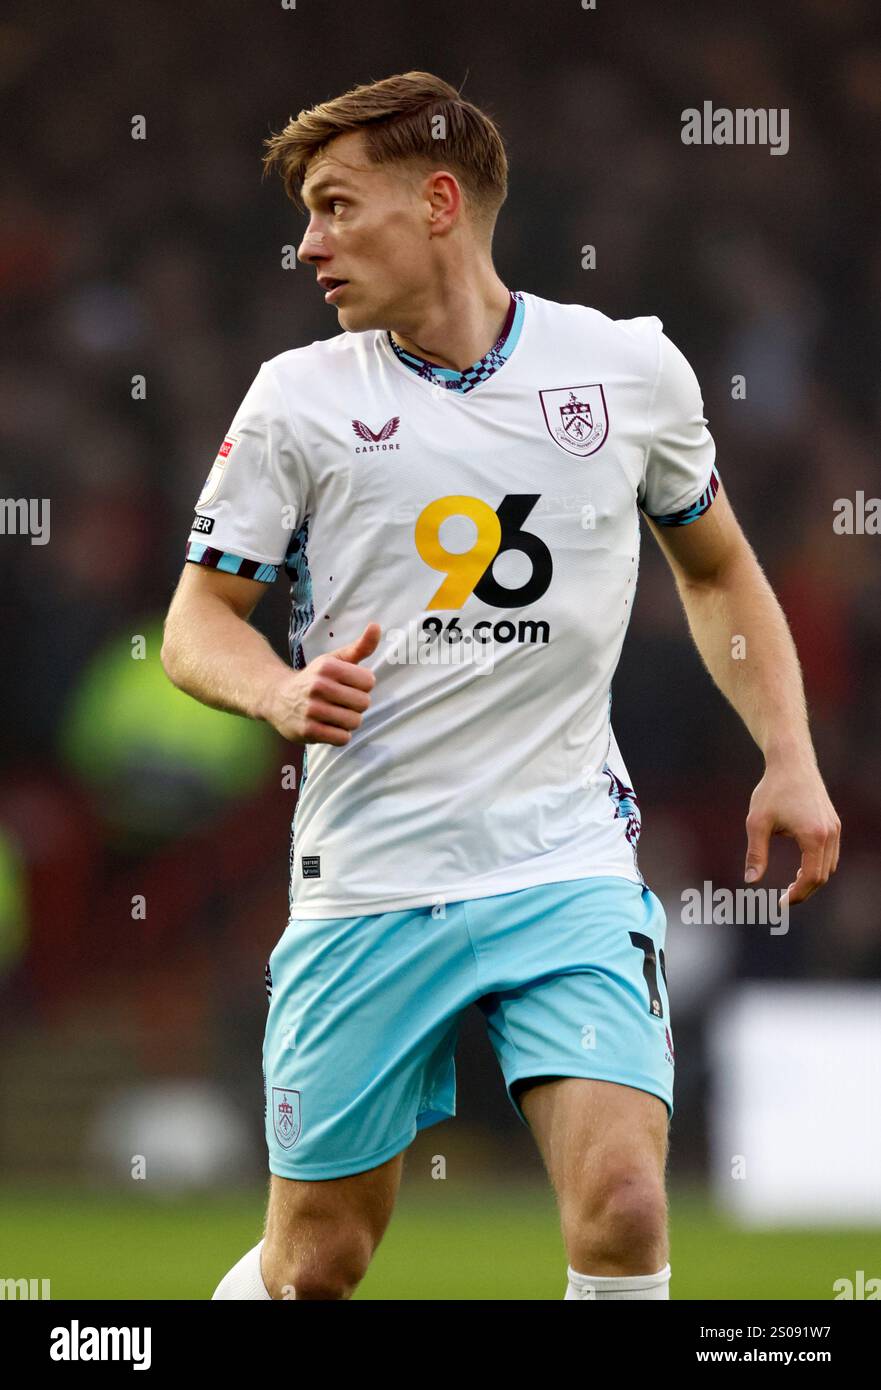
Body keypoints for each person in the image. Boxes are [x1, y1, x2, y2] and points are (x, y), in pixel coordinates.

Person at [161, 71, 841, 1301]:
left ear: (435, 202)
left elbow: (718, 570)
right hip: (370, 875)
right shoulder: (296, 400)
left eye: (331, 206)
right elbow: (196, 625)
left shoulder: (626, 369)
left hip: (564, 863)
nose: (306, 242)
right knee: (317, 1261)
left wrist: (785, 752)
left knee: (627, 1210)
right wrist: (273, 692)